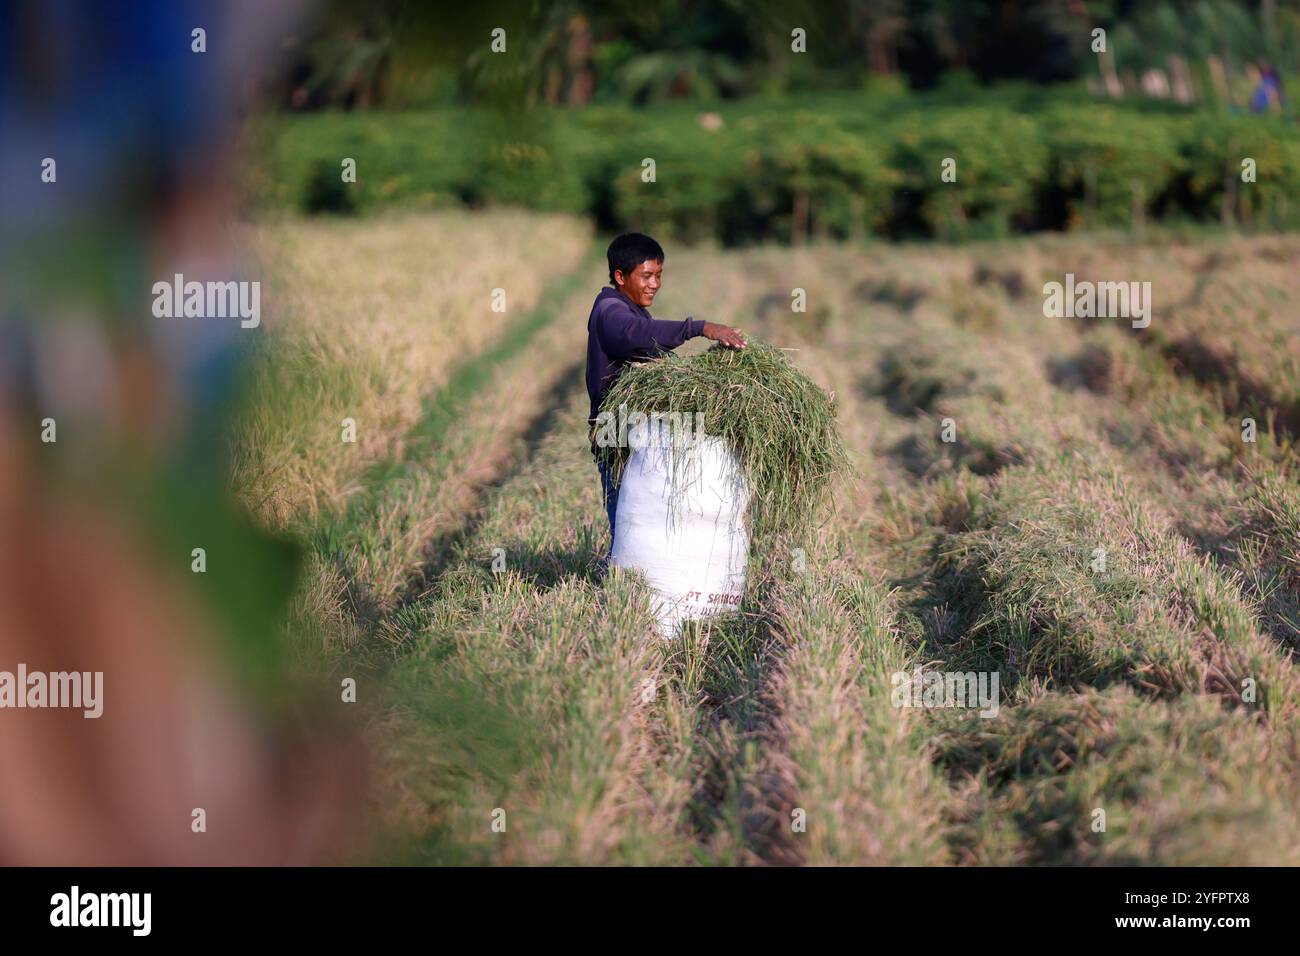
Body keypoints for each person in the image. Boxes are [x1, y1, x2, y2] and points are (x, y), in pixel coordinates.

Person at [584, 233, 746, 556]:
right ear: (620, 276)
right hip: (616, 434)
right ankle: (622, 587)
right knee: (629, 529)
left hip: (637, 431)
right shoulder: (610, 311)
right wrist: (697, 327)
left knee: (648, 525)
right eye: (646, 275)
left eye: (658, 275)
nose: (655, 284)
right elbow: (637, 336)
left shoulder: (630, 308)